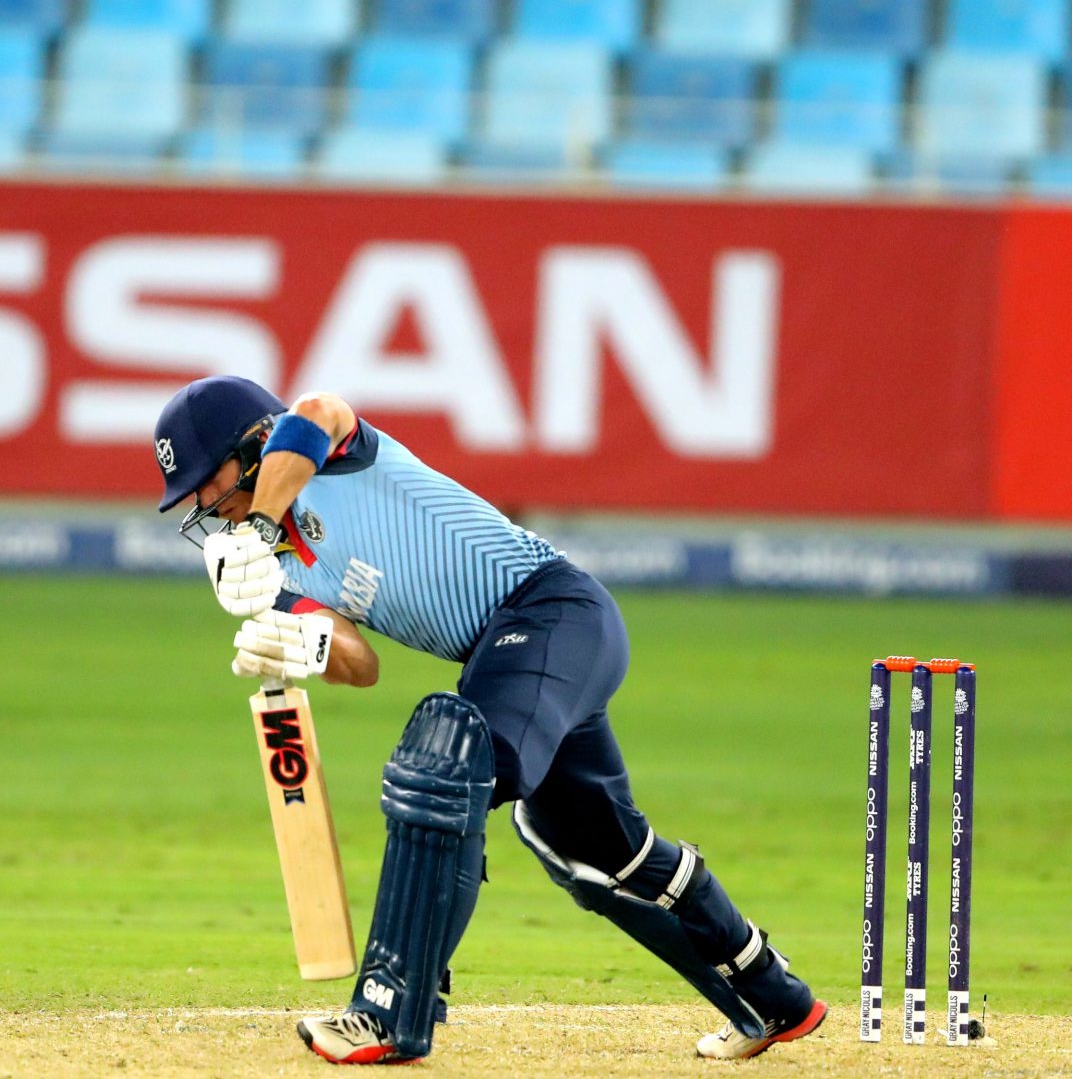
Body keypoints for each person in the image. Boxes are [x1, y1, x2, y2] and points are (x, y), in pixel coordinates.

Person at [153, 376, 825, 1065]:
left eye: (208, 482)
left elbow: (320, 410)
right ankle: (774, 998)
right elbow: (361, 663)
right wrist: (303, 641)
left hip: (551, 611)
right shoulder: (276, 569)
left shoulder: (323, 453)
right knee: (590, 849)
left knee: (448, 765)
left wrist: (259, 527)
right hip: (504, 657)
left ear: (256, 444)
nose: (205, 506)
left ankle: (391, 1007)